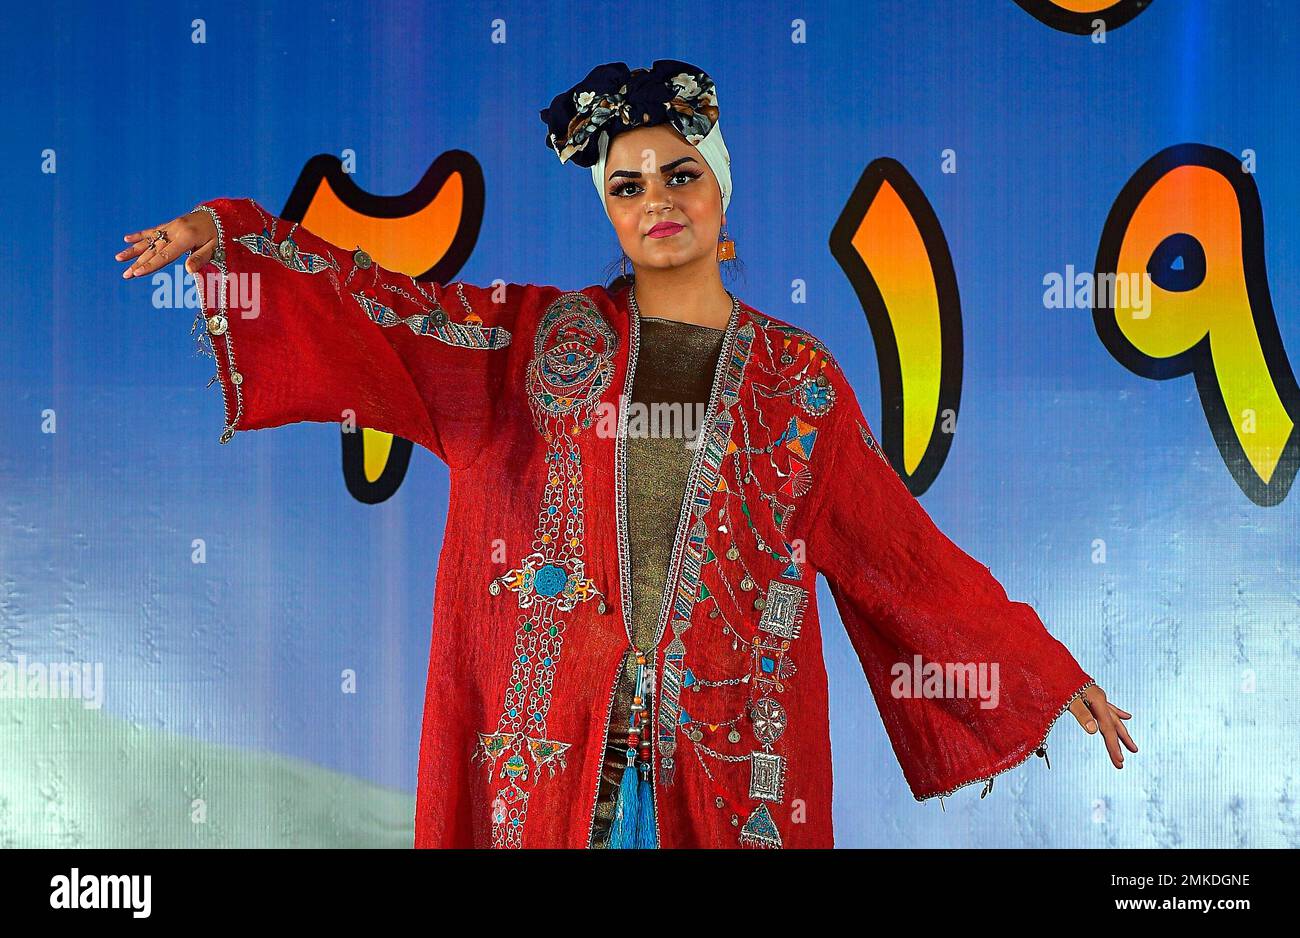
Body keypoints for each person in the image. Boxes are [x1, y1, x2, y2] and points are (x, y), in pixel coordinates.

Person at [115, 59, 1136, 849]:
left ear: (719, 186)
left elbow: (893, 553)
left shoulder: (797, 381)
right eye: (627, 183)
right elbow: (388, 311)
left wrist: (1038, 670)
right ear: (607, 205)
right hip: (555, 758)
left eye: (680, 173)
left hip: (725, 768)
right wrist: (233, 236)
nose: (657, 198)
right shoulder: (527, 345)